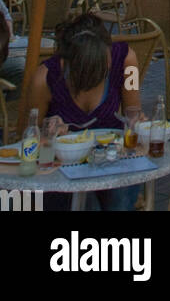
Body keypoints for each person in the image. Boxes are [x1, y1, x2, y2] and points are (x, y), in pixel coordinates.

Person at [27, 12, 143, 211]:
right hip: (65, 169)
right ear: (69, 63)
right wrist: (47, 133)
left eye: (105, 63)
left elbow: (133, 112)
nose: (106, 68)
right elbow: (28, 140)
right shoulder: (45, 78)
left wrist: (138, 123)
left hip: (111, 161)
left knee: (120, 195)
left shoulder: (127, 61)